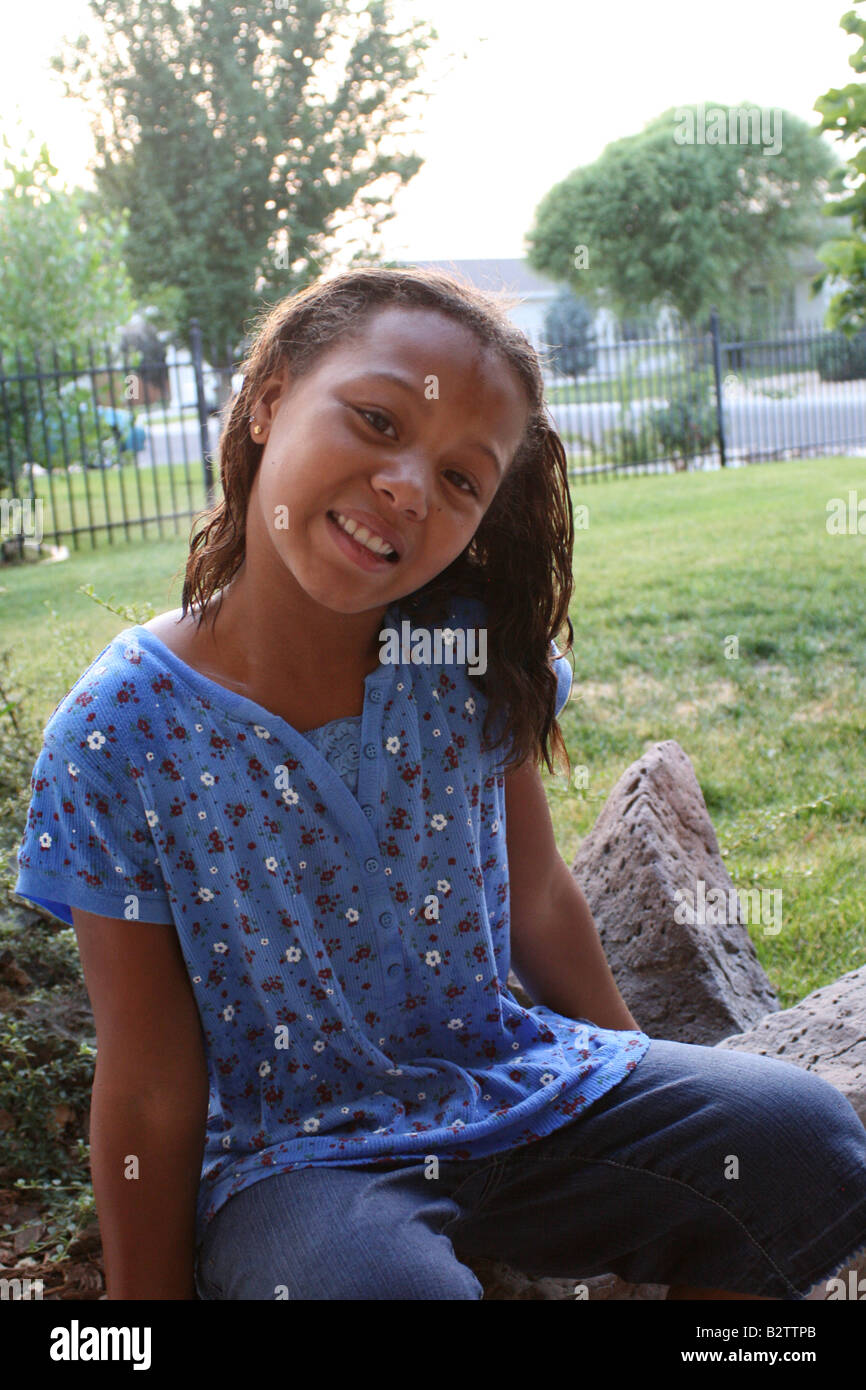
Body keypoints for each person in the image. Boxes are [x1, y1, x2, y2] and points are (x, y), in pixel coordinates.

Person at [14, 267, 866, 1302]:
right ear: (269, 398)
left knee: (799, 1136)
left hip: (512, 1089)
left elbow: (541, 893)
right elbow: (146, 1080)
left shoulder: (466, 655)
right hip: (300, 1164)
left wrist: (638, 1080)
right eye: (374, 419)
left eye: (461, 479)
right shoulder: (120, 731)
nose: (408, 485)